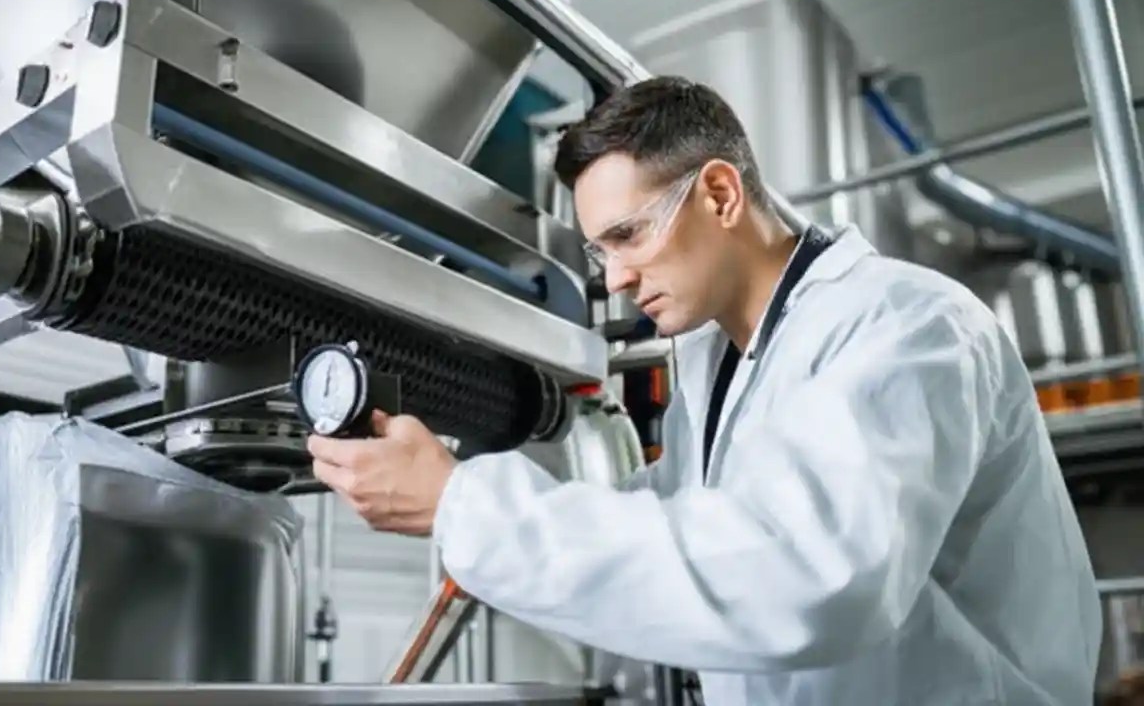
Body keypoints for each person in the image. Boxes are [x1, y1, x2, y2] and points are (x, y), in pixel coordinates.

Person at [307, 76, 1103, 704]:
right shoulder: (722, 361)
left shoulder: (906, 324)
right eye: (597, 251)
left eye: (627, 235)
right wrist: (470, 497)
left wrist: (465, 507)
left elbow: (805, 578)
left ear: (720, 194)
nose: (615, 277)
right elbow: (684, 513)